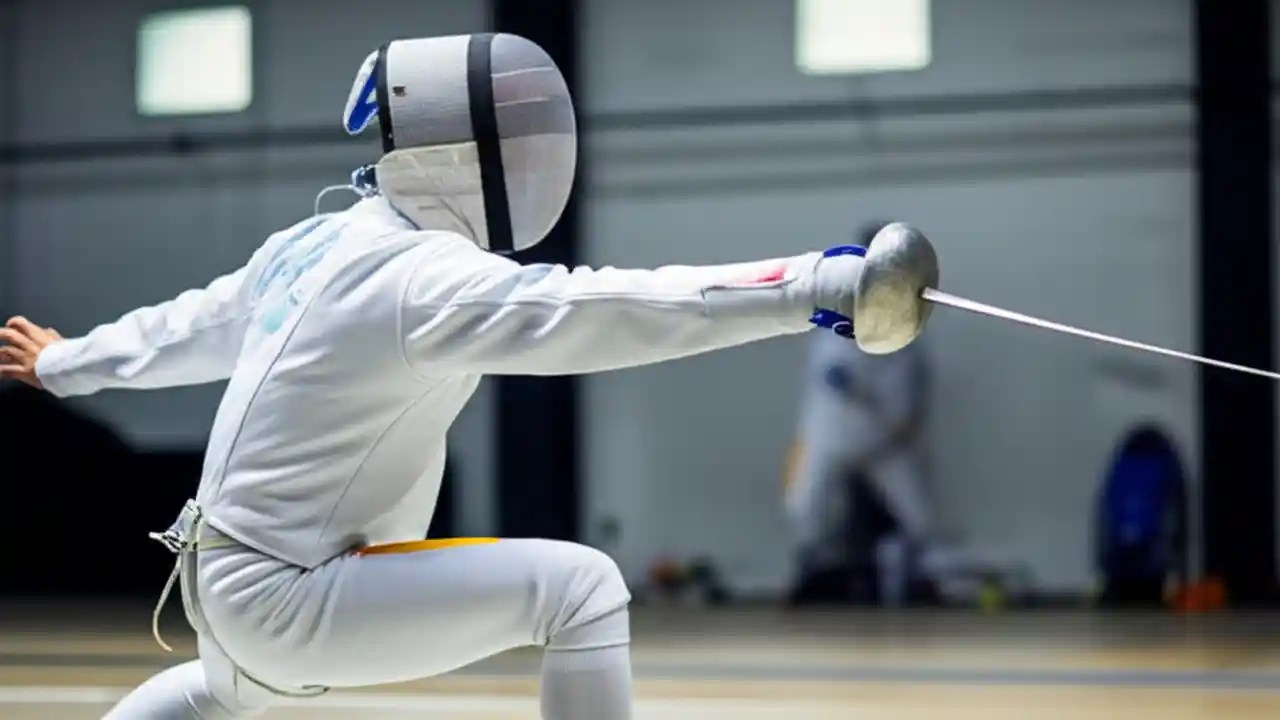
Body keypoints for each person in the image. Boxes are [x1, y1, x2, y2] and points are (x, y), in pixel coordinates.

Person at [0, 33, 935, 719]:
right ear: (463, 147)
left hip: (232, 586)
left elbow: (193, 327)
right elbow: (607, 310)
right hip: (292, 593)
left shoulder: (322, 240)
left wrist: (66, 363)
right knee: (581, 589)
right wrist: (816, 283)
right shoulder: (419, 276)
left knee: (220, 690)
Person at [784, 222, 933, 605]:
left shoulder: (910, 320)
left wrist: (903, 424)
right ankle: (810, 579)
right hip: (831, 434)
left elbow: (910, 391)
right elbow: (830, 377)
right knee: (804, 509)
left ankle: (917, 582)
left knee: (920, 518)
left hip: (884, 441)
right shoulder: (835, 313)